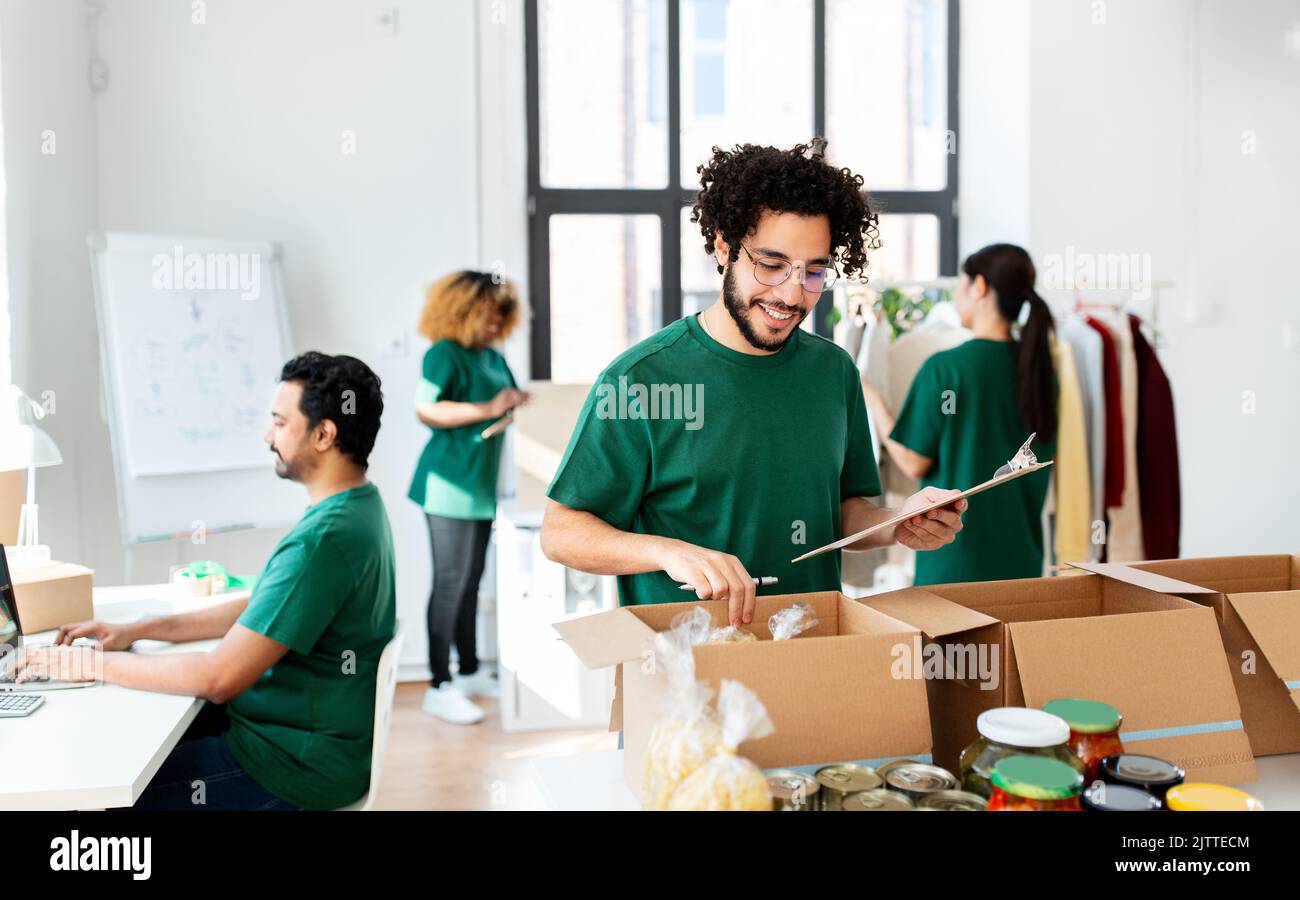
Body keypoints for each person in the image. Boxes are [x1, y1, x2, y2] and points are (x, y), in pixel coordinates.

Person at [540, 139, 967, 623]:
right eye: (771, 265)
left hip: (812, 651)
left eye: (813, 272)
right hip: (682, 670)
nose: (791, 293)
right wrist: (669, 553)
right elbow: (561, 531)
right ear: (724, 246)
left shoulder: (834, 373)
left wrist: (898, 521)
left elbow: (845, 511)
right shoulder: (641, 380)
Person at [15, 352, 396, 811]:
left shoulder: (323, 539)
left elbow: (218, 679)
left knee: (95, 801)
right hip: (312, 749)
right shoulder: (360, 507)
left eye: (278, 422)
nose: (267, 435)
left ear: (323, 434)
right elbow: (265, 609)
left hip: (288, 769)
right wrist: (142, 628)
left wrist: (82, 665)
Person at [862, 243, 1058, 586]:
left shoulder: (946, 369)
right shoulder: (1041, 373)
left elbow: (913, 462)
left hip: (954, 565)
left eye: (961, 285)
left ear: (979, 287)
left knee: (956, 644)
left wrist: (874, 401)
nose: (956, 298)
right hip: (1023, 564)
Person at [409, 271, 528, 725]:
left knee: (472, 583)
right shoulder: (444, 353)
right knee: (450, 584)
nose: (496, 324)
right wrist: (487, 409)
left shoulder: (493, 357)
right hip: (447, 486)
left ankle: (470, 670)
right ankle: (438, 685)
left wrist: (516, 402)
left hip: (479, 488)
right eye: (487, 315)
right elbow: (427, 408)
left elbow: (505, 399)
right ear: (463, 312)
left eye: (501, 316)